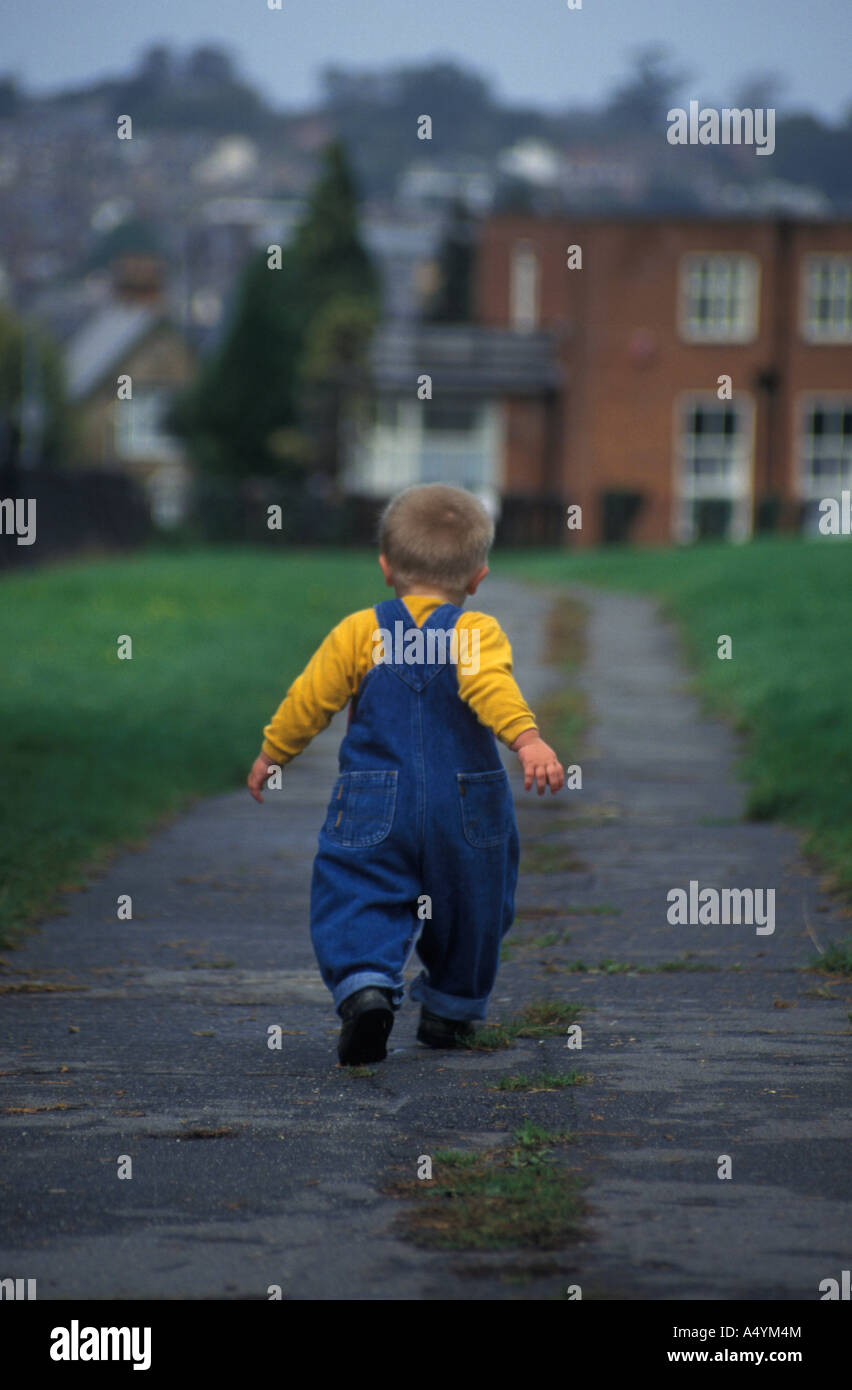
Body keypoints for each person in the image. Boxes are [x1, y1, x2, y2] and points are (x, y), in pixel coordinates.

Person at [247, 483, 564, 1065]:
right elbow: (489, 686)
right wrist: (526, 738)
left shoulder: (359, 632)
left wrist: (274, 754)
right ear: (477, 578)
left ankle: (366, 985)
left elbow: (309, 699)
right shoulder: (475, 632)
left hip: (374, 803)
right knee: (475, 904)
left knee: (357, 890)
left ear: (385, 568)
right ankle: (451, 1010)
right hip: (465, 808)